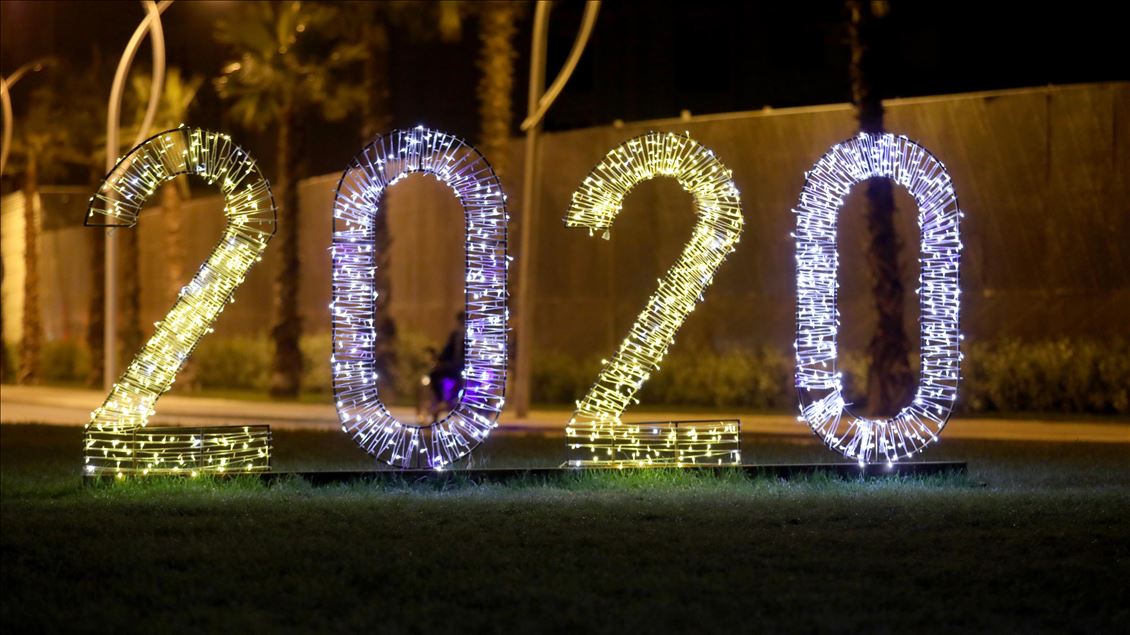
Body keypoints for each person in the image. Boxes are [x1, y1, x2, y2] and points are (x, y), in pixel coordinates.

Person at [428, 311, 465, 420]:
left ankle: (452, 401)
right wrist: (439, 359)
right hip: (452, 366)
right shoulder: (454, 335)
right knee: (434, 374)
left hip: (464, 367)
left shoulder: (472, 336)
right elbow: (447, 351)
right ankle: (440, 400)